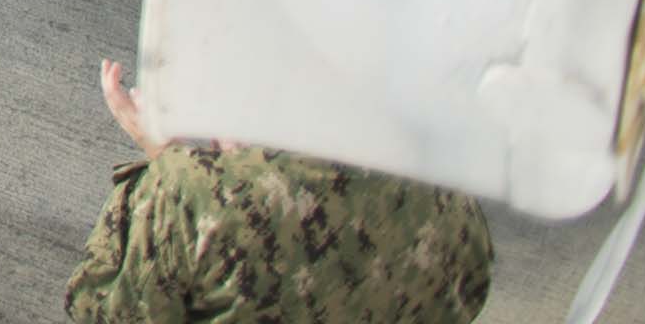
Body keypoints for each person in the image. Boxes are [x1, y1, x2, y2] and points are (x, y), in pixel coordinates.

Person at [68, 56, 488, 324]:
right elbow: (471, 285)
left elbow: (102, 310)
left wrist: (170, 166)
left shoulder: (188, 195)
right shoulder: (435, 178)